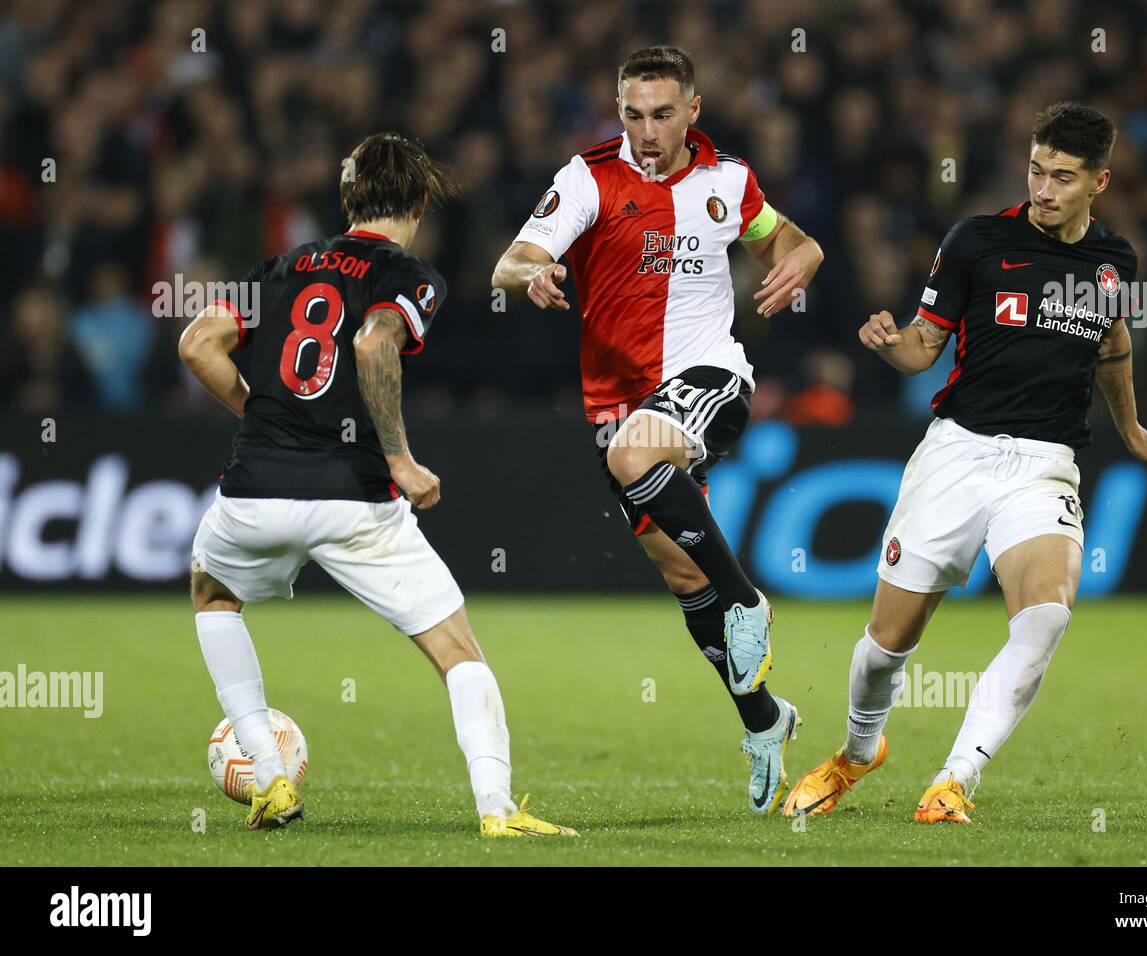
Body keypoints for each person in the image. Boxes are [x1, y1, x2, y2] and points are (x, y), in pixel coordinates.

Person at [784, 102, 1147, 823]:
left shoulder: (1115, 260)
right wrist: (888, 340)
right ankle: (857, 750)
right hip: (958, 454)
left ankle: (954, 779)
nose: (1044, 188)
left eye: (1063, 176)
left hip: (1044, 465)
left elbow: (1112, 343)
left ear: (1099, 182)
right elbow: (922, 348)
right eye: (1036, 170)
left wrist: (1129, 427)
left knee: (1046, 619)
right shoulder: (977, 241)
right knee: (887, 642)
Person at [181, 132, 575, 837]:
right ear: (421, 200)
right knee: (458, 652)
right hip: (352, 497)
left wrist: (261, 412)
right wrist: (398, 457)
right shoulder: (411, 274)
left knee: (213, 594)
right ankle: (495, 810)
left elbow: (196, 344)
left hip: (252, 492)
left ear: (346, 197)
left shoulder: (279, 265)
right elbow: (371, 341)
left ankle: (269, 779)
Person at [492, 46, 824, 813]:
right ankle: (765, 719)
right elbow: (509, 261)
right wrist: (531, 272)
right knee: (681, 574)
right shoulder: (587, 178)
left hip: (710, 377)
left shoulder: (727, 179)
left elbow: (789, 238)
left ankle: (749, 603)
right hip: (616, 403)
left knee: (637, 457)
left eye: (663, 114)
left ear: (693, 111)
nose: (646, 131)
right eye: (633, 114)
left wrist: (802, 257)